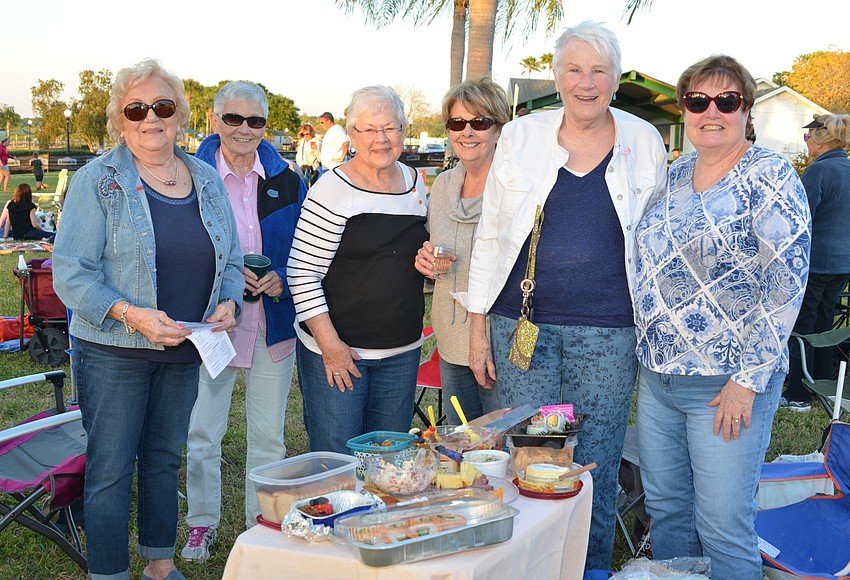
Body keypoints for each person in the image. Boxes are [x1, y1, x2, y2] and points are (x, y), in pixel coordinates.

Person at [463, 21, 667, 570]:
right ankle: (535, 567)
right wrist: (479, 327)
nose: (586, 82)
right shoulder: (522, 135)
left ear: (616, 79)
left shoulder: (643, 140)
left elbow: (657, 238)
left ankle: (589, 567)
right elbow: (492, 232)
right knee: (534, 458)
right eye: (574, 69)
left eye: (598, 70)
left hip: (608, 332)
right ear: (556, 77)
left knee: (593, 462)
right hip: (525, 326)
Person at [52, 58, 243, 580]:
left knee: (163, 458)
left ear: (180, 116)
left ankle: (160, 563)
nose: (150, 118)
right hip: (114, 349)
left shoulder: (205, 178)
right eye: (136, 108)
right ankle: (109, 573)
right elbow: (70, 273)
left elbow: (229, 260)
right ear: (120, 119)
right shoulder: (99, 181)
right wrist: (131, 315)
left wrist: (229, 302)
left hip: (183, 348)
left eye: (162, 106)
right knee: (111, 470)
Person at [632, 55, 810, 579]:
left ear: (745, 110)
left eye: (726, 101)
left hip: (725, 384)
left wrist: (747, 380)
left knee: (722, 524)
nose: (712, 112)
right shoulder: (674, 173)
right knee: (666, 513)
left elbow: (786, 281)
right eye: (698, 101)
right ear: (685, 108)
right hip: (659, 378)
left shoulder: (770, 175)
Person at [182, 81, 306, 560]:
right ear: (214, 121)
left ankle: (260, 526)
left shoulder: (290, 180)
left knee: (268, 436)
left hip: (270, 323)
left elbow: (307, 249)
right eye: (233, 119)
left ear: (265, 125)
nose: (244, 130)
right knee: (202, 432)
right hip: (211, 325)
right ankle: (201, 524)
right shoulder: (190, 176)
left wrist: (283, 279)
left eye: (255, 121)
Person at [287, 85, 428, 454]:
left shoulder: (416, 185)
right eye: (369, 129)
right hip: (339, 354)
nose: (381, 139)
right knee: (339, 464)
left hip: (402, 352)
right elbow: (301, 273)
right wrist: (331, 346)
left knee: (388, 464)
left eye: (391, 127)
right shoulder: (332, 189)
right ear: (352, 136)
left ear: (404, 129)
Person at [413, 78, 511, 424]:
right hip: (451, 335)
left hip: (499, 339)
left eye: (480, 122)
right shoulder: (441, 186)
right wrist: (424, 261)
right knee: (463, 442)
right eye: (457, 123)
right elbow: (433, 248)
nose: (467, 132)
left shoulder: (515, 189)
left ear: (500, 128)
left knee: (503, 441)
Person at [785, 113, 850, 406]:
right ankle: (824, 385)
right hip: (842, 263)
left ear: (821, 140)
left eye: (808, 136)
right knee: (826, 325)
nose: (806, 141)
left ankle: (798, 393)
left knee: (802, 326)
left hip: (814, 263)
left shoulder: (818, 172)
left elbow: (799, 219)